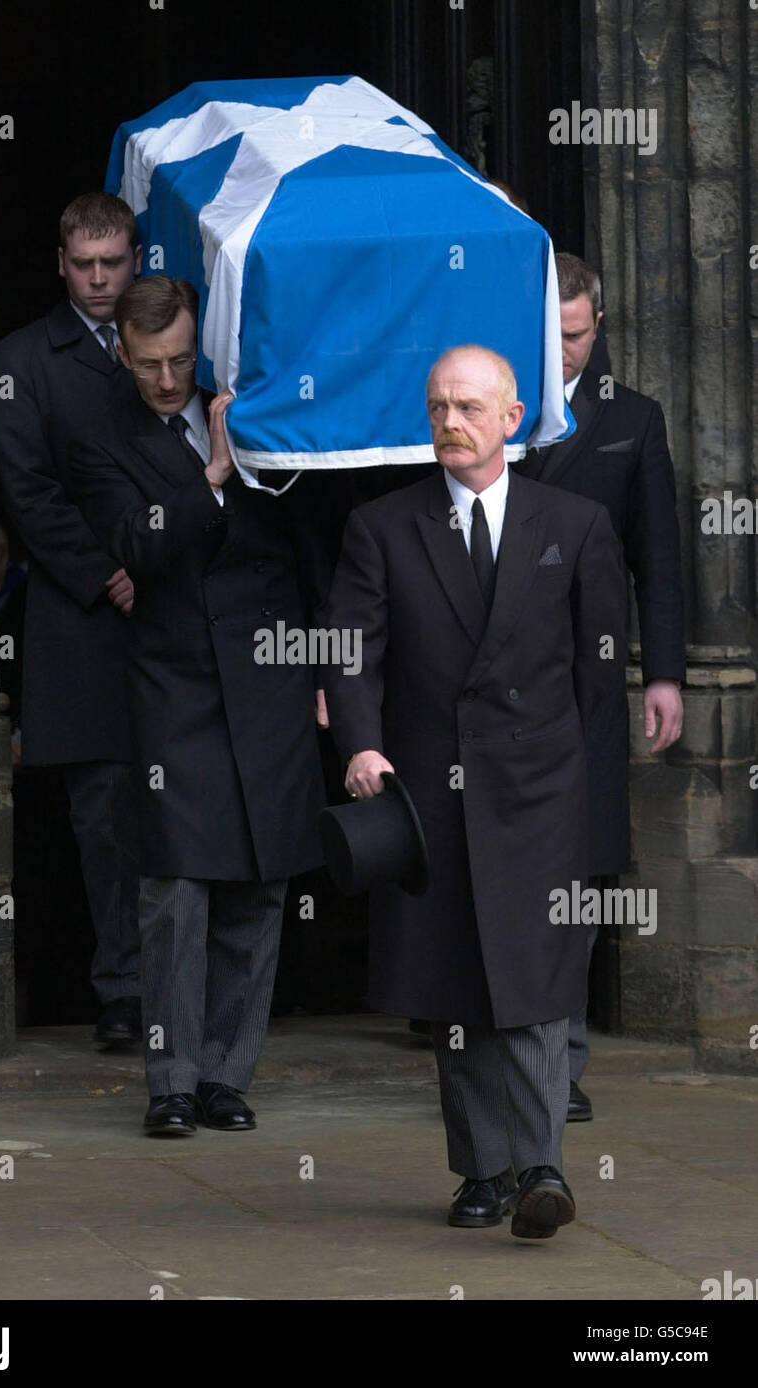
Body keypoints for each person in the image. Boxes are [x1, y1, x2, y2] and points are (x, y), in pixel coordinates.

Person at [322, 345, 627, 1237]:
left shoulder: (574, 523)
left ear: (512, 418)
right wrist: (363, 747)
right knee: (456, 982)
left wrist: (562, 762)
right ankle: (483, 1172)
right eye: (437, 408)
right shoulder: (382, 526)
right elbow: (351, 649)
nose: (449, 423)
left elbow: (597, 668)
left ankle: (540, 1168)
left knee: (534, 980)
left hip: (540, 794)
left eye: (467, 407)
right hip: (430, 792)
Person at [66, 276, 328, 1137]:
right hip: (174, 682)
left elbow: (311, 538)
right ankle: (170, 1079)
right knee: (176, 886)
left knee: (261, 879)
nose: (169, 379)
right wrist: (212, 477)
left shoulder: (251, 404)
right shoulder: (102, 432)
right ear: (123, 354)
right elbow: (137, 542)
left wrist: (327, 663)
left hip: (271, 672)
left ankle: (227, 1074)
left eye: (181, 359)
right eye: (150, 365)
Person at [513, 253, 685, 1120]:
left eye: (577, 335)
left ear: (600, 324)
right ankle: (483, 1041)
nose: (566, 351)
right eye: (554, 334)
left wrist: (662, 674)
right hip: (496, 672)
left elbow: (659, 555)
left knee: (578, 867)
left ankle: (563, 1061)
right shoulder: (492, 406)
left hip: (587, 676)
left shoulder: (634, 419)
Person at [0, 192, 143, 1046]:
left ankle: (189, 993)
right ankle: (119, 991)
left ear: (135, 259)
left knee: (182, 810)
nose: (96, 279)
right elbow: (28, 494)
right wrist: (107, 572)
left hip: (171, 617)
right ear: (59, 263)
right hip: (80, 623)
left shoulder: (175, 345)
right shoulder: (21, 359)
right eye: (82, 264)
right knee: (102, 818)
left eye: (111, 263)